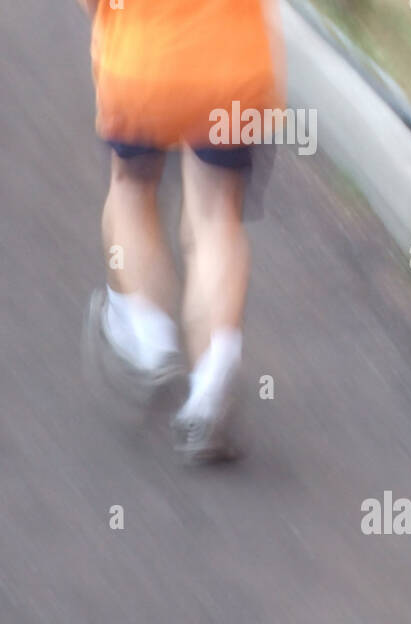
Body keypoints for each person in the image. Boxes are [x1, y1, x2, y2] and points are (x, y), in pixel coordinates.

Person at [78, 0, 284, 461]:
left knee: (131, 187)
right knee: (215, 216)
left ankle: (149, 340)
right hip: (231, 65)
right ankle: (211, 385)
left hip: (140, 62)